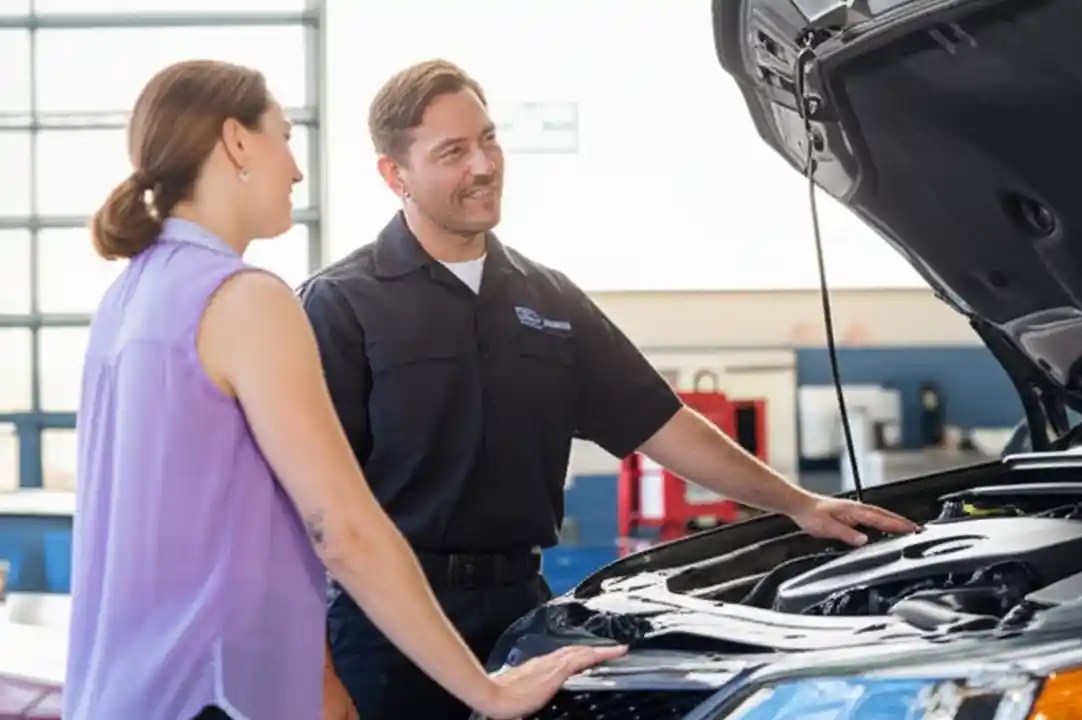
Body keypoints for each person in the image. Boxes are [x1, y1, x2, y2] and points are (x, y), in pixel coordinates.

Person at [299, 58, 920, 720]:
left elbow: (659, 421)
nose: (483, 165)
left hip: (520, 612)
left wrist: (797, 504)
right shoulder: (342, 306)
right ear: (395, 175)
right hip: (388, 622)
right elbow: (302, 505)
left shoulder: (549, 299)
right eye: (453, 152)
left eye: (489, 139)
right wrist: (320, 671)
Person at [64, 59, 623, 720]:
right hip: (217, 694)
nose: (296, 171)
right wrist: (489, 691)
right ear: (237, 142)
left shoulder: (128, 298)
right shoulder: (244, 299)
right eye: (285, 137)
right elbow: (344, 531)